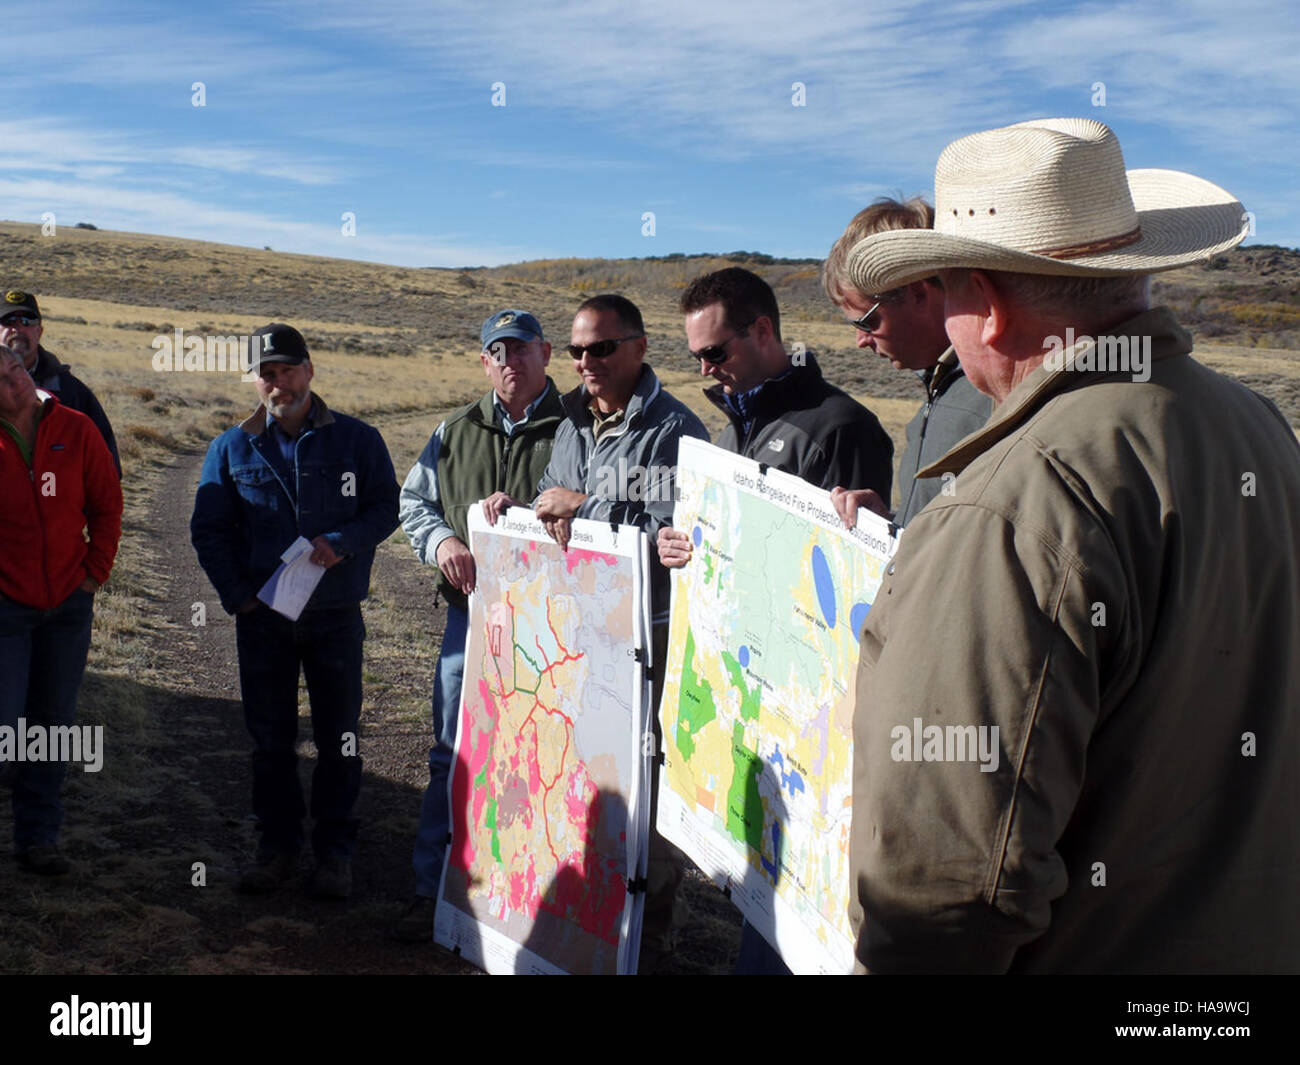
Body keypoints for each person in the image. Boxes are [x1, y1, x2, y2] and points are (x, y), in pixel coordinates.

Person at [845, 117, 1300, 972]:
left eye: (943, 290)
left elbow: (942, 895)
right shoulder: (1260, 428)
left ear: (987, 299)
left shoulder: (1010, 505)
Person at [656, 266, 895, 974]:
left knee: (794, 922)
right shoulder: (740, 426)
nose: (705, 370)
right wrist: (685, 547)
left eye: (715, 352)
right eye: (696, 356)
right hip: (756, 702)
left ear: (764, 331)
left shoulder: (841, 427)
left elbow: (856, 593)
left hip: (816, 732)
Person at [485, 294, 710, 971]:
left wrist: (586, 505)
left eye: (602, 348)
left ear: (640, 347)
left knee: (645, 807)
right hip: (578, 643)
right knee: (583, 787)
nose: (586, 361)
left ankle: (650, 947)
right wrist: (517, 514)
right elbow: (557, 516)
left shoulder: (678, 430)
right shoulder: (573, 424)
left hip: (648, 650)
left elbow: (679, 538)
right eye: (578, 350)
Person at [190, 323, 399, 900]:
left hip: (333, 615)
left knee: (340, 737)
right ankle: (276, 848)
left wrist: (343, 541)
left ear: (309, 370)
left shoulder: (357, 440)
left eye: (285, 369)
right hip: (264, 621)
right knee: (271, 740)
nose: (275, 381)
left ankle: (335, 853)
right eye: (265, 372)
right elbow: (210, 530)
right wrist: (240, 596)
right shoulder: (230, 447)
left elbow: (388, 507)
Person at [393, 308, 565, 940]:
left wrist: (531, 520)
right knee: (453, 753)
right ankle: (431, 887)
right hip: (470, 622)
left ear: (546, 353)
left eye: (520, 350)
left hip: (553, 631)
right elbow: (414, 500)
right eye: (497, 352)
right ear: (484, 362)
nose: (509, 362)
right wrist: (441, 543)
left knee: (543, 758)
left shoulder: (576, 430)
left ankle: (529, 902)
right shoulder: (455, 429)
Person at [0, 343, 122, 874]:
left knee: (52, 723)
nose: (16, 381)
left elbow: (107, 502)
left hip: (69, 604)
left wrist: (94, 574)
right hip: (6, 609)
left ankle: (38, 837)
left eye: (15, 369)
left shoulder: (74, 426)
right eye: (1, 380)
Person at [820, 198, 991, 527]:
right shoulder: (941, 387)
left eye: (867, 323)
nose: (861, 341)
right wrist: (892, 523)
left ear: (918, 293)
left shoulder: (993, 394)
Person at [1, 289, 120, 476]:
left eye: (26, 321)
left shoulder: (72, 393)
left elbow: (106, 470)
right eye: (8, 322)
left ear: (39, 331)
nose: (17, 329)